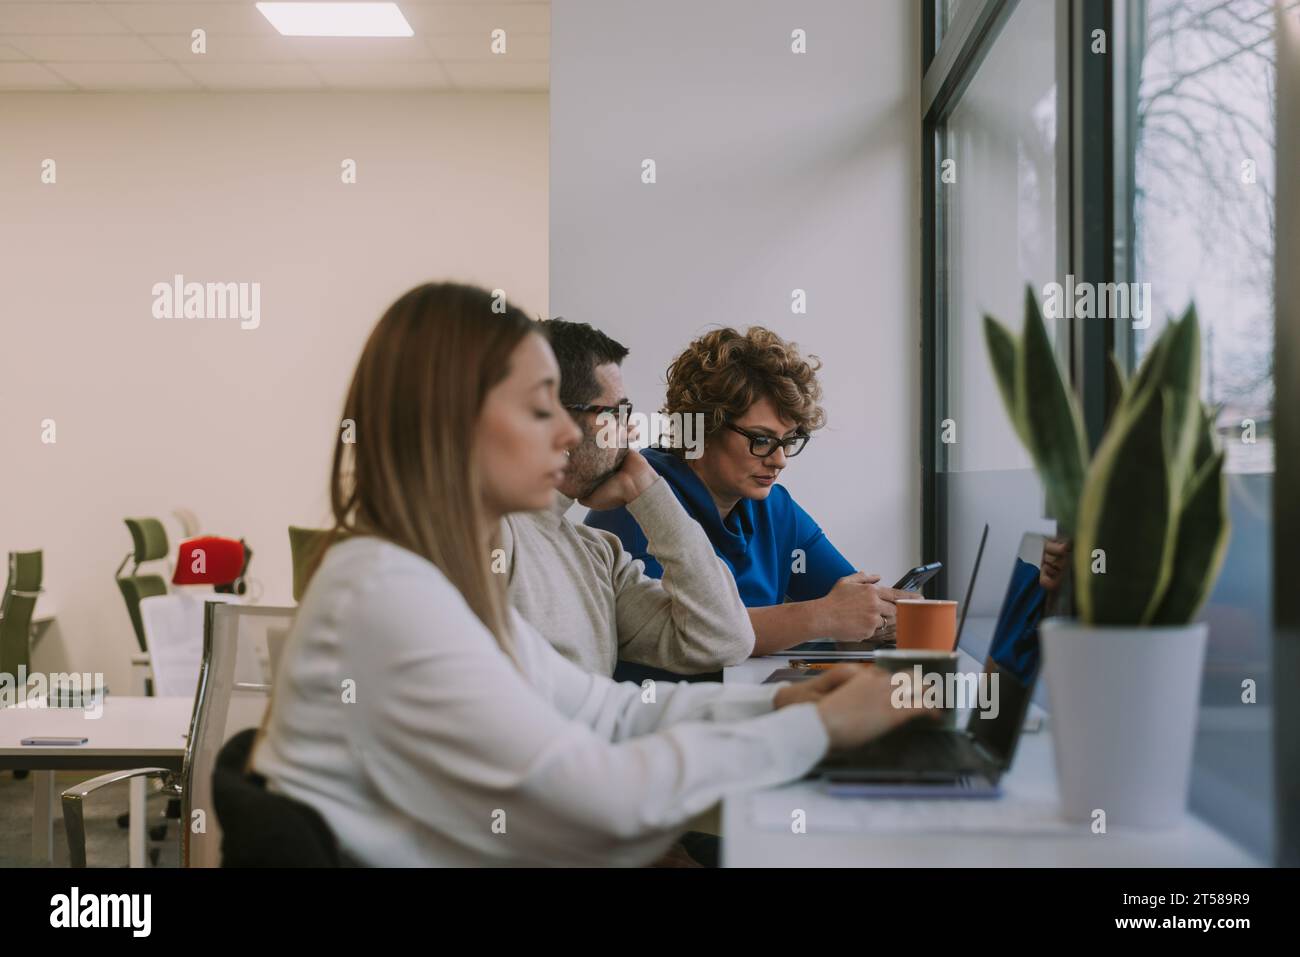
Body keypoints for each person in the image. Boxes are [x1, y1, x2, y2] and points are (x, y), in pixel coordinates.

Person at [252, 283, 918, 867]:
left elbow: (604, 708)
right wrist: (817, 730)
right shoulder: (386, 592)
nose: (572, 437)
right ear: (456, 421)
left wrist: (777, 703)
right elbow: (594, 804)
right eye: (541, 409)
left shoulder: (454, 572)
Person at [586, 326, 917, 655]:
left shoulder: (774, 508)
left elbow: (849, 603)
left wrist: (880, 616)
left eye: (788, 441)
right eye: (761, 440)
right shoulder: (637, 499)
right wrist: (824, 616)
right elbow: (690, 633)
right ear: (703, 427)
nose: (780, 460)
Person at [500, 319, 753, 677]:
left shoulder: (598, 554)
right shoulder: (492, 535)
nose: (630, 430)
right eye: (616, 412)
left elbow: (725, 640)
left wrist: (648, 489)